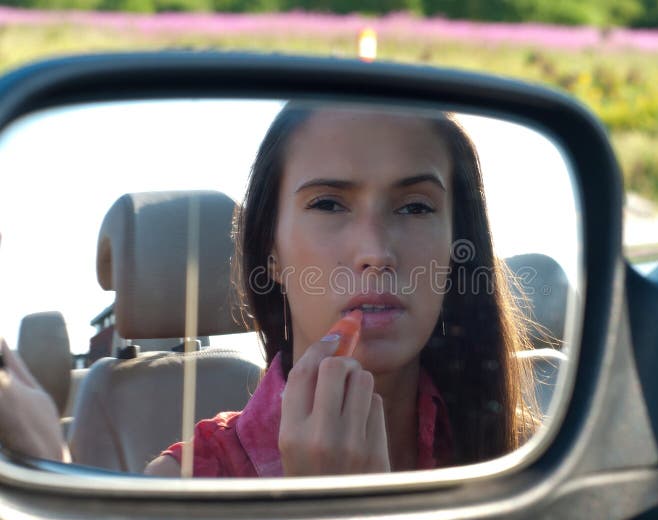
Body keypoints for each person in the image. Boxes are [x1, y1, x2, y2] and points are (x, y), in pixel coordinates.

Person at [0, 103, 538, 477]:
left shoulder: (533, 454)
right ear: (272, 255)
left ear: (455, 247)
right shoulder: (186, 488)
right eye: (328, 203)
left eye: (416, 206)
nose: (375, 250)